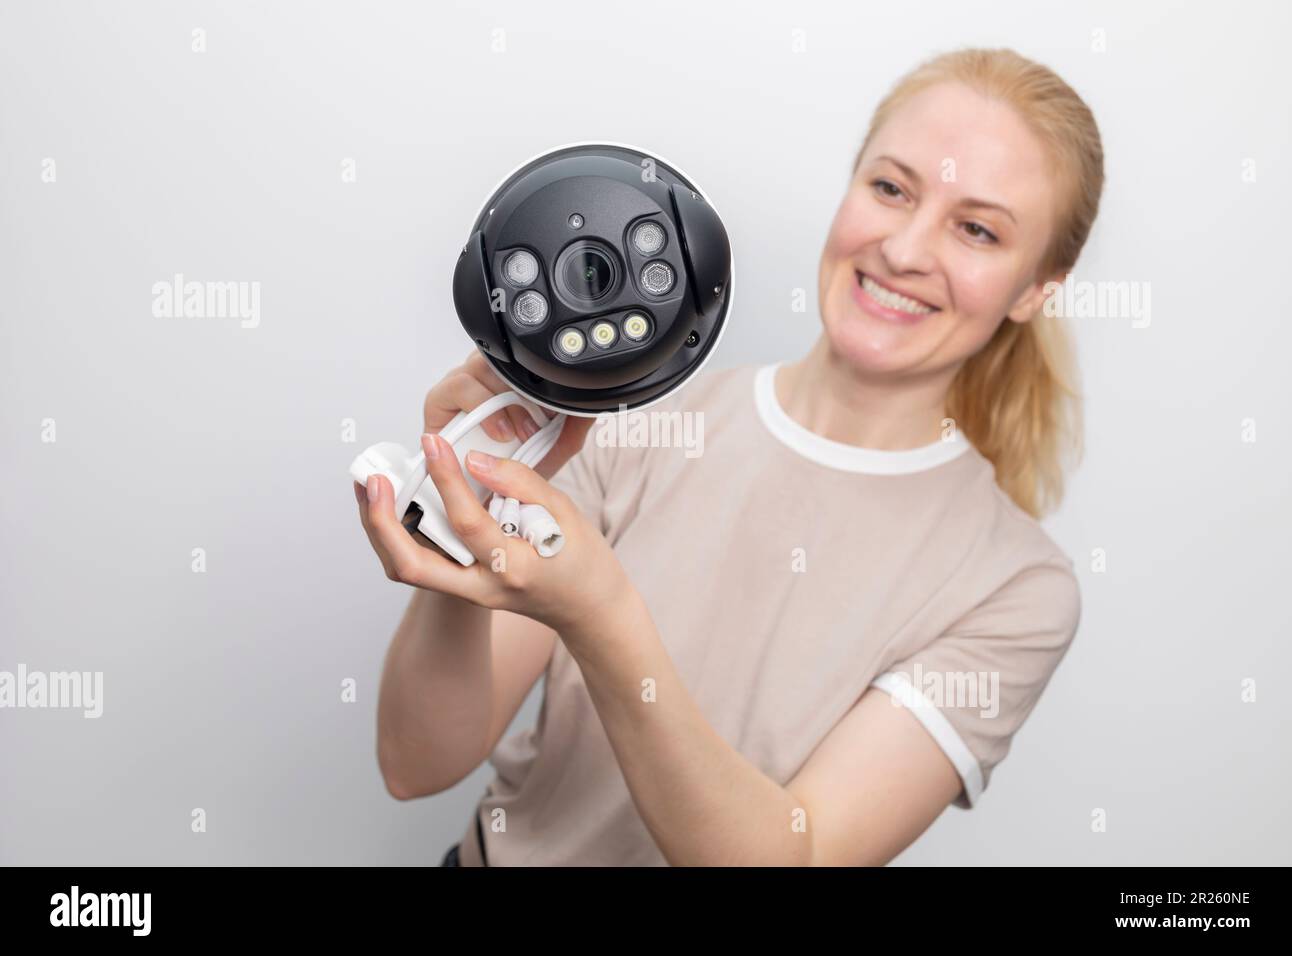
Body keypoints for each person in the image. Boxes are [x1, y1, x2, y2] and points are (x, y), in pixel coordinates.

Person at [354, 46, 1104, 866]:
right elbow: (414, 763)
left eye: (977, 229)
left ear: (1038, 287)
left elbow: (795, 856)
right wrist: (463, 527)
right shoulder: (631, 421)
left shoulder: (1015, 588)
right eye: (891, 188)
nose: (906, 249)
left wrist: (602, 617)